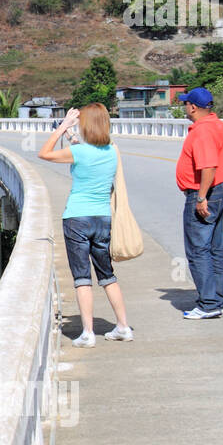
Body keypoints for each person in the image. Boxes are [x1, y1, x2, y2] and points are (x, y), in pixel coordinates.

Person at [39, 103, 133, 347]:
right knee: (107, 274)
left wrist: (62, 128)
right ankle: (123, 326)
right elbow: (87, 153)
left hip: (77, 219)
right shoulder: (112, 150)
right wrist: (72, 136)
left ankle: (88, 333)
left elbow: (44, 153)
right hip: (102, 219)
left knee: (82, 277)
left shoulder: (79, 153)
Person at [175, 87, 223, 318]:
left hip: (203, 194)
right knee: (214, 248)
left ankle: (209, 304)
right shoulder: (217, 124)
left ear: (193, 107)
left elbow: (208, 166)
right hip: (219, 190)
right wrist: (220, 168)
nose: (185, 107)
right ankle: (220, 299)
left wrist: (202, 195)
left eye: (186, 104)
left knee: (198, 250)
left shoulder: (203, 131)